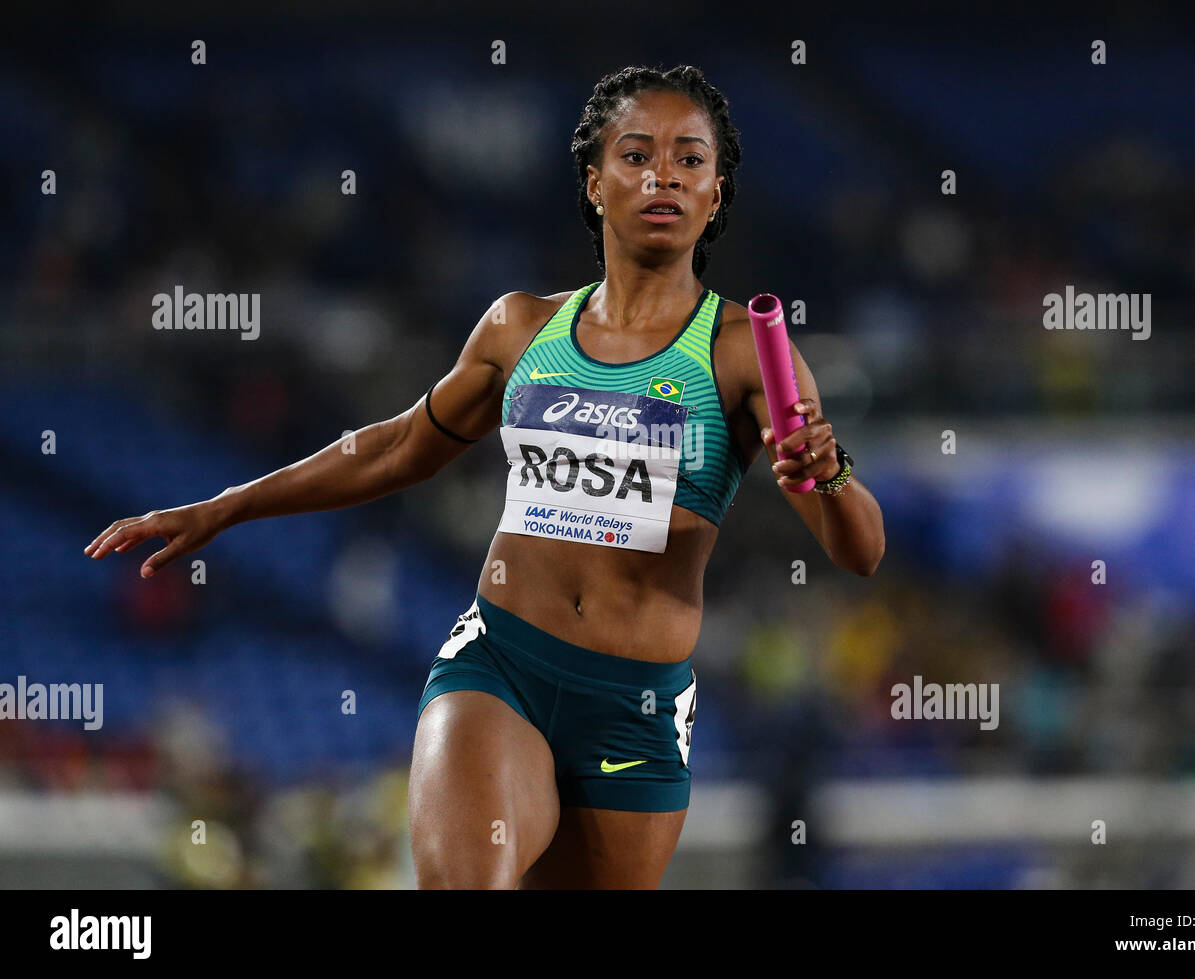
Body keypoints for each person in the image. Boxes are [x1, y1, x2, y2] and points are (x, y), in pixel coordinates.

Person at [84, 64, 885, 889]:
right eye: (637, 154)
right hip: (502, 664)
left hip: (634, 707)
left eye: (689, 160)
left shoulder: (745, 353)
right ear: (594, 182)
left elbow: (857, 549)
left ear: (715, 195)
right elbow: (396, 448)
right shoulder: (519, 327)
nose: (663, 177)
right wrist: (228, 506)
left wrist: (830, 475)